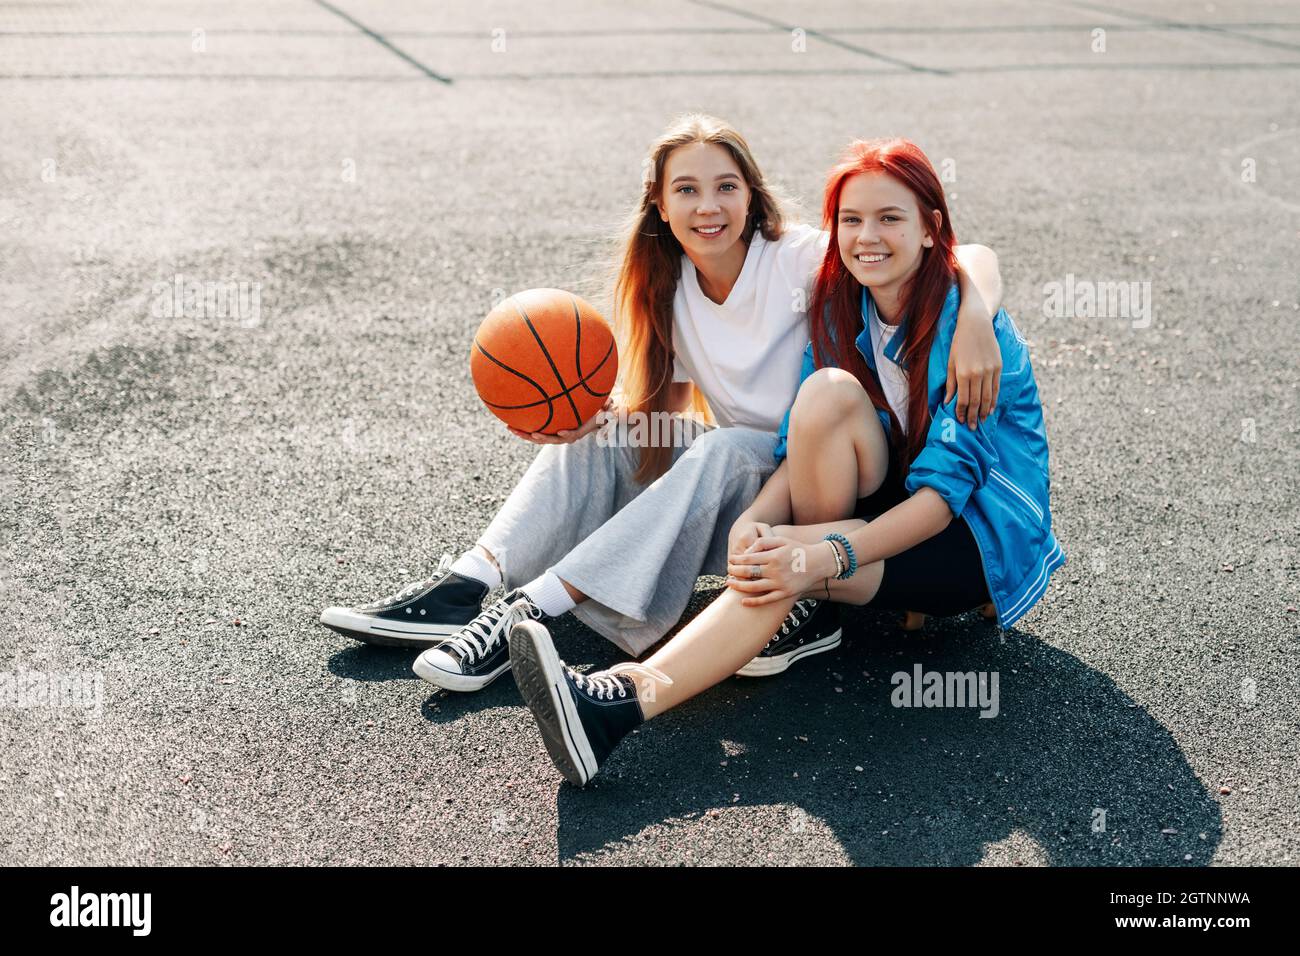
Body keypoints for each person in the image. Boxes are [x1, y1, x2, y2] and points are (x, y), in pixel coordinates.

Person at [319, 116, 1005, 694]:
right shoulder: (668, 288)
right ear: (660, 203)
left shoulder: (797, 257)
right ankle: (467, 586)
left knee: (730, 444)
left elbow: (966, 252)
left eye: (726, 187)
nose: (709, 206)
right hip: (746, 496)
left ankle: (535, 607)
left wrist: (973, 316)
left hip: (820, 486)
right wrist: (593, 423)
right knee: (612, 433)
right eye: (688, 190)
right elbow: (662, 414)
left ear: (751, 196)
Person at [507, 137, 1065, 786]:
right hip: (887, 504)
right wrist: (759, 521)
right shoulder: (839, 303)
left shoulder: (970, 336)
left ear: (930, 228)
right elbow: (791, 451)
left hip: (967, 541)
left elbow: (942, 502)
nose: (867, 237)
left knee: (788, 564)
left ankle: (619, 701)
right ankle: (638, 693)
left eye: (890, 219)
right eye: (852, 221)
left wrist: (823, 555)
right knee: (823, 400)